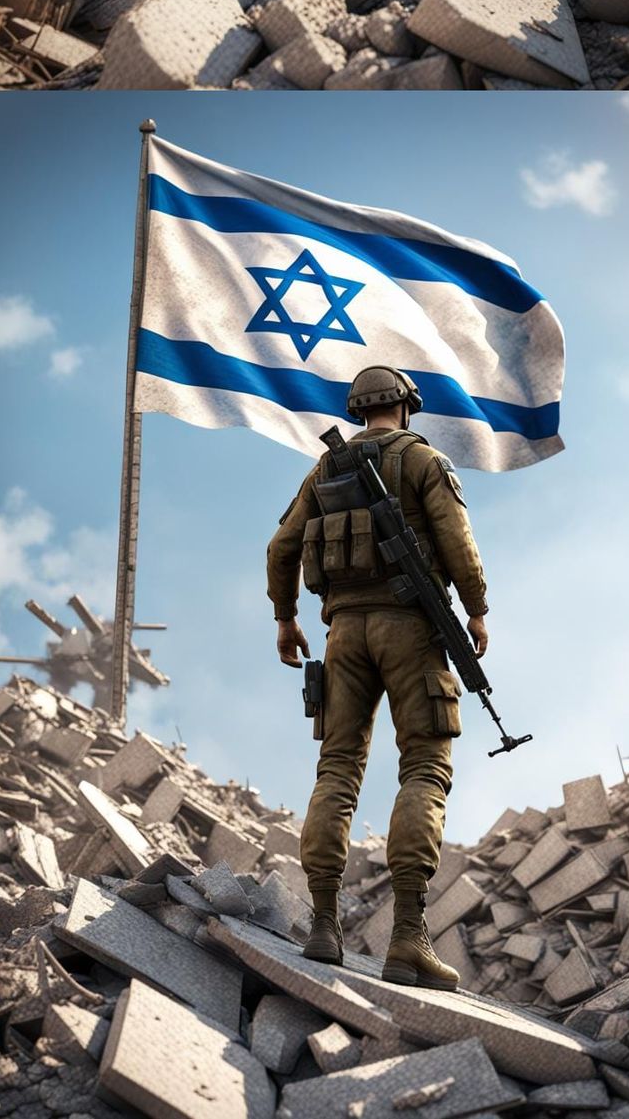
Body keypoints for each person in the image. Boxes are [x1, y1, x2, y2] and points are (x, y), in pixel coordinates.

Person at [267, 365, 489, 989]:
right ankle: (408, 938)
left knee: (337, 769)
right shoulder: (423, 460)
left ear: (359, 409)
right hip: (411, 630)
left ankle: (323, 925)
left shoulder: (324, 470)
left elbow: (281, 549)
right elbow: (456, 541)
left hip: (342, 636)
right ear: (407, 407)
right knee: (424, 767)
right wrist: (476, 609)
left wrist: (286, 621)